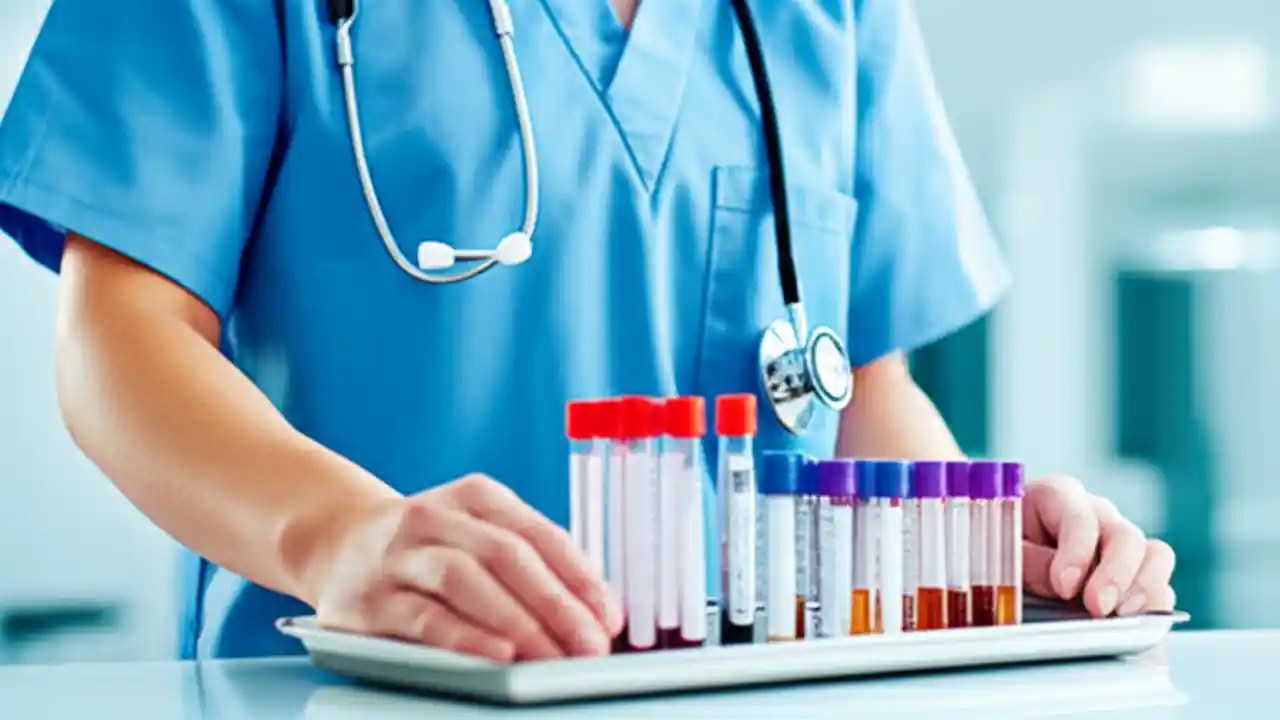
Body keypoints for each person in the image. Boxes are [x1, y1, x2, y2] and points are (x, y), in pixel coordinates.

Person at [0, 0, 1174, 662]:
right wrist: (336, 539)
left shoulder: (828, 15)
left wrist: (972, 538)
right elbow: (121, 336)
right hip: (348, 694)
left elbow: (855, 379)